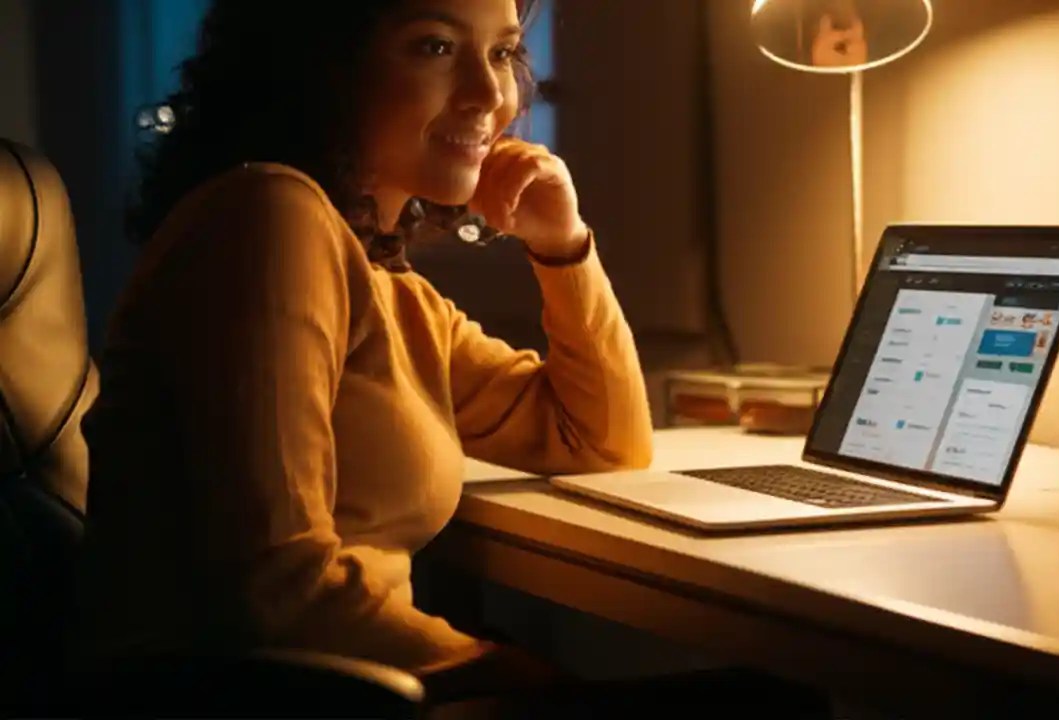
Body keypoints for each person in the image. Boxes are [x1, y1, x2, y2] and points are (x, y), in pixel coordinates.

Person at [74, 0, 830, 715]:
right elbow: (277, 589)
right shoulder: (271, 215)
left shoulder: (383, 281)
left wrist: (562, 248)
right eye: (436, 47)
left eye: (502, 52)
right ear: (321, 64)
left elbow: (598, 441)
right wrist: (522, 677)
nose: (490, 94)